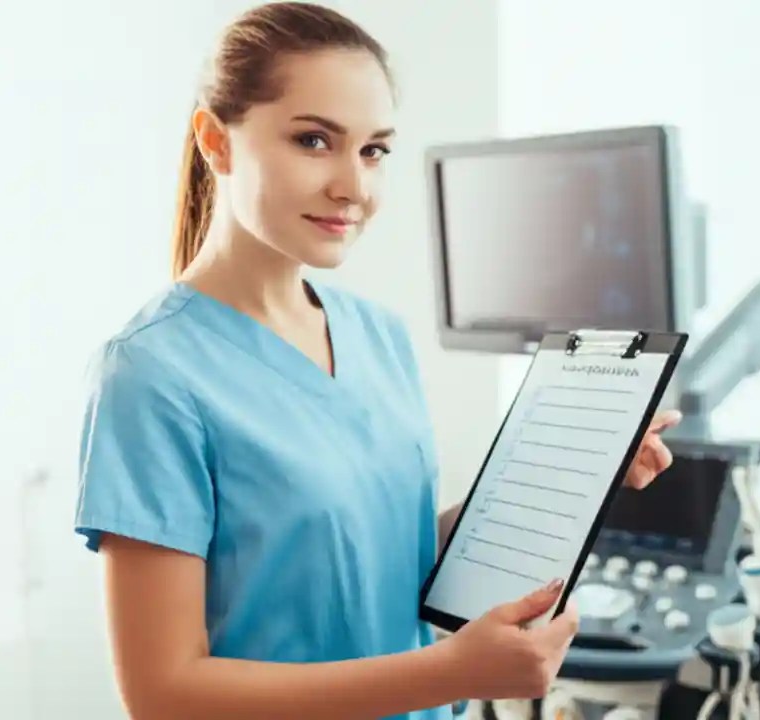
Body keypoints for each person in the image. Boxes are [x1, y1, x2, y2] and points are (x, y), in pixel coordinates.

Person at [73, 3, 682, 719]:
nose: (355, 188)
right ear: (217, 141)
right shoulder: (153, 374)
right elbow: (164, 693)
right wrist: (446, 673)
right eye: (313, 140)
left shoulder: (378, 337)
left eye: (373, 151)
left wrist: (575, 481)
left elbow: (381, 550)